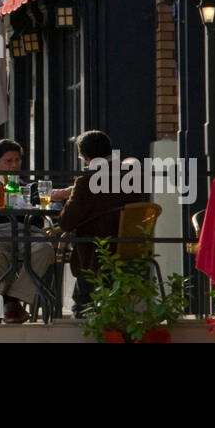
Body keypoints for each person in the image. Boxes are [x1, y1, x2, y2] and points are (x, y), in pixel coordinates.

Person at [51, 130, 130, 316]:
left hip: (97, 247)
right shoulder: (132, 175)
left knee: (76, 247)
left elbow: (66, 222)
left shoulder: (86, 181)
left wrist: (68, 197)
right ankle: (89, 304)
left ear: (86, 158)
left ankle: (81, 307)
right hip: (130, 243)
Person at [0, 139, 55, 324]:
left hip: (28, 231)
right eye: (8, 161)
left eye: (17, 160)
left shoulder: (31, 187)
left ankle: (8, 301)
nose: (14, 165)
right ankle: (13, 304)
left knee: (45, 249)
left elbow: (40, 211)